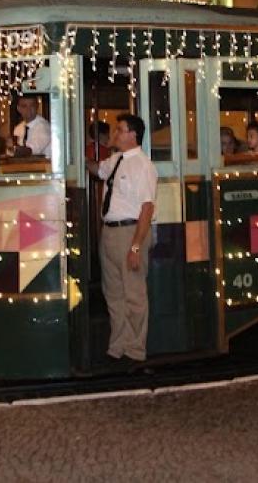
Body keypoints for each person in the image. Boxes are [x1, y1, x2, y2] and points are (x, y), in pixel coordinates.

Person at [93, 113, 157, 364]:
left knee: (133, 295)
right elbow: (96, 170)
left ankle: (135, 350)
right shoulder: (116, 160)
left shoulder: (143, 165)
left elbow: (147, 209)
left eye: (120, 130)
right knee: (114, 294)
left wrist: (135, 247)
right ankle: (117, 346)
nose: (115, 134)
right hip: (109, 232)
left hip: (130, 232)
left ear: (133, 135)